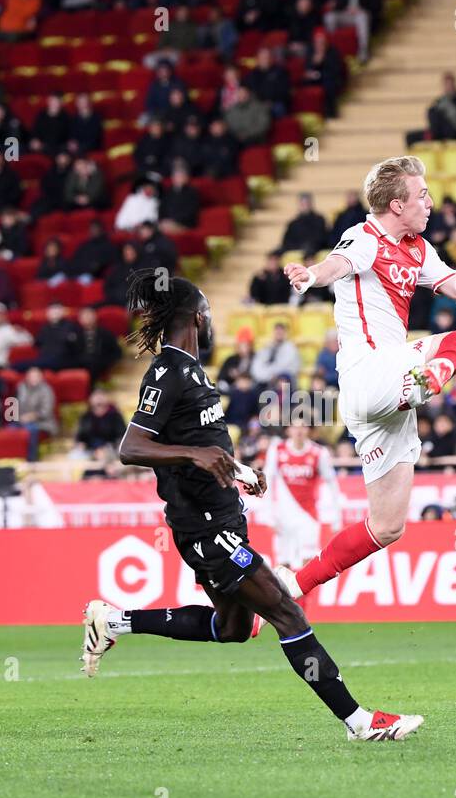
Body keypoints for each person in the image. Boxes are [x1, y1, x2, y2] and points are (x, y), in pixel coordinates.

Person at [80, 271, 423, 742]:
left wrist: (238, 471)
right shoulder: (167, 371)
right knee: (287, 612)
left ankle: (114, 620)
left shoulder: (195, 373)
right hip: (204, 528)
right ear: (197, 317)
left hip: (221, 518)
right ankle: (359, 722)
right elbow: (132, 447)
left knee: (235, 627)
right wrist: (196, 456)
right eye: (208, 311)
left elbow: (201, 443)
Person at [278, 156, 456, 601]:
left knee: (387, 526)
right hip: (371, 373)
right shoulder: (364, 237)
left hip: (381, 401)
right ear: (397, 205)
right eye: (422, 195)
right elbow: (336, 265)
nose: (430, 203)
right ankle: (432, 375)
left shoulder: (418, 249)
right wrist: (309, 276)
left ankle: (293, 586)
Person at [263, 421, 343, 570]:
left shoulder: (318, 452)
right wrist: (269, 513)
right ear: (288, 430)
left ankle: (307, 594)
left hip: (308, 516)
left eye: (303, 426)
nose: (299, 430)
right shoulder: (277, 450)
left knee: (308, 563)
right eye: (294, 426)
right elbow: (266, 479)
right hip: (283, 515)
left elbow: (332, 483)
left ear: (309, 430)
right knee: (282, 563)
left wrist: (337, 517)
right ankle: (284, 594)